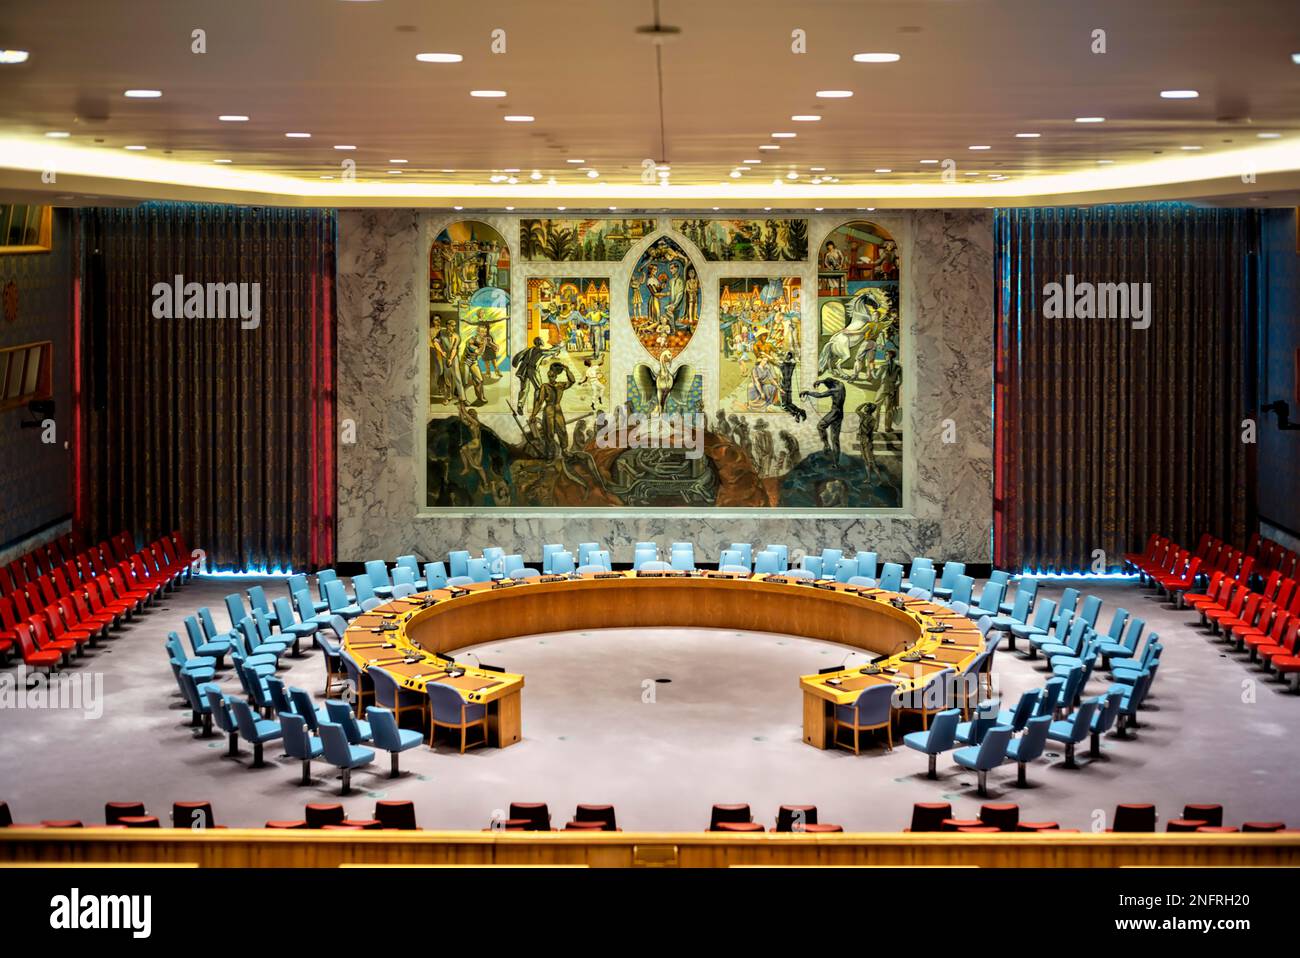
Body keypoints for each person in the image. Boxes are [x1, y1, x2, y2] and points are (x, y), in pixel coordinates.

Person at [801, 377, 846, 465]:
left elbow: (820, 395)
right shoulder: (841, 385)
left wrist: (807, 392)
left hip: (834, 412)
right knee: (835, 439)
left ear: (831, 386)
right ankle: (836, 463)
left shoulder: (833, 390)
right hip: (840, 414)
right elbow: (833, 380)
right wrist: (821, 381)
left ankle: (826, 445)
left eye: (828, 386)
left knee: (820, 426)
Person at [537, 362, 576, 457]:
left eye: (553, 376)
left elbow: (572, 381)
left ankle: (565, 450)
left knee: (562, 430)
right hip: (548, 410)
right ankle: (550, 454)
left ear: (556, 376)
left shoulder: (560, 385)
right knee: (549, 432)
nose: (551, 378)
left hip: (558, 410)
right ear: (548, 376)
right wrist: (534, 415)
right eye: (550, 376)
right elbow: (539, 401)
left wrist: (567, 370)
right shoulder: (544, 386)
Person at [513, 336, 557, 417]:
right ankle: (536, 406)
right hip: (533, 371)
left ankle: (520, 405)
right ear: (541, 342)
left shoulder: (530, 349)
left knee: (524, 389)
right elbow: (552, 351)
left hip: (524, 371)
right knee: (539, 389)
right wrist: (558, 347)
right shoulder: (541, 351)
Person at [779, 351, 806, 422]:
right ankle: (801, 411)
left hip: (784, 385)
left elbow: (777, 362)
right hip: (789, 386)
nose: (785, 356)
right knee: (789, 403)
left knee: (785, 405)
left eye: (786, 355)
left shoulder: (783, 365)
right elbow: (793, 362)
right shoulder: (792, 364)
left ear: (788, 356)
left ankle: (796, 413)